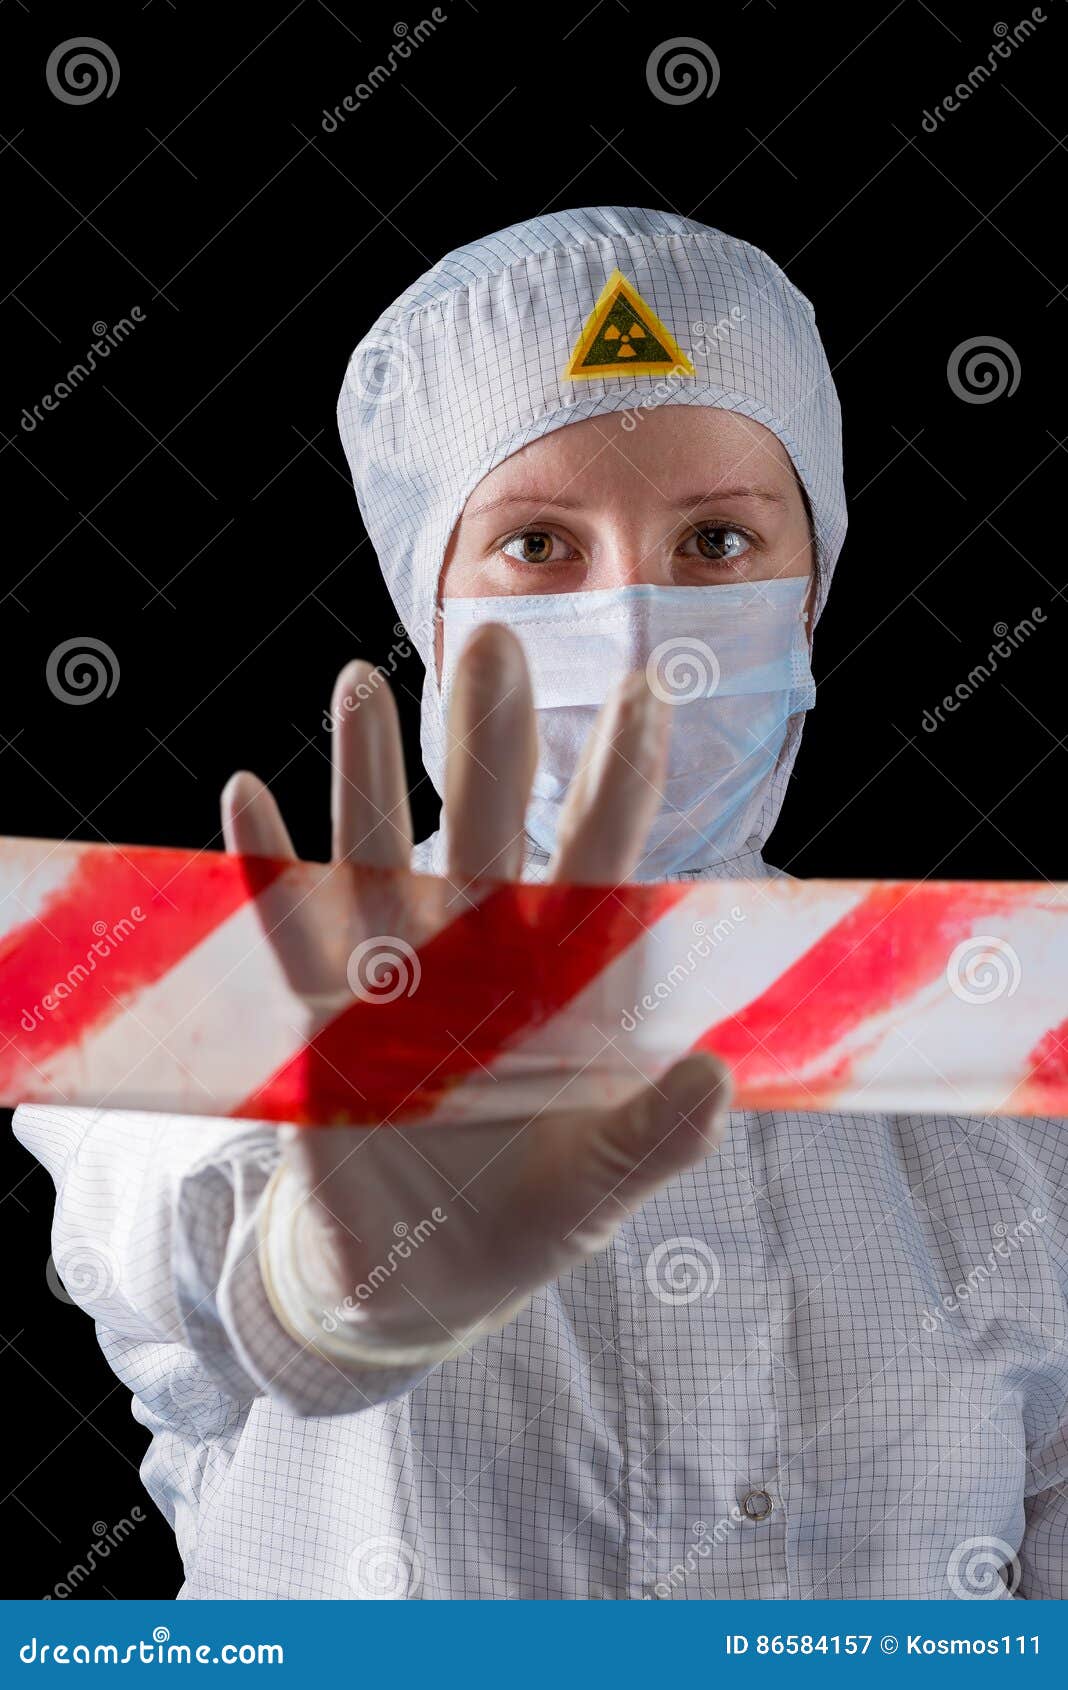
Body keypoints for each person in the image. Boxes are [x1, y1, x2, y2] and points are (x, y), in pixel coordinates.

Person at [13, 208, 1067, 1601]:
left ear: (809, 595)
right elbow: (161, 1248)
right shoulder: (199, 973)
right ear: (432, 605)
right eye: (537, 545)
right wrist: (318, 1281)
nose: (635, 618)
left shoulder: (1003, 1020)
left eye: (714, 538)